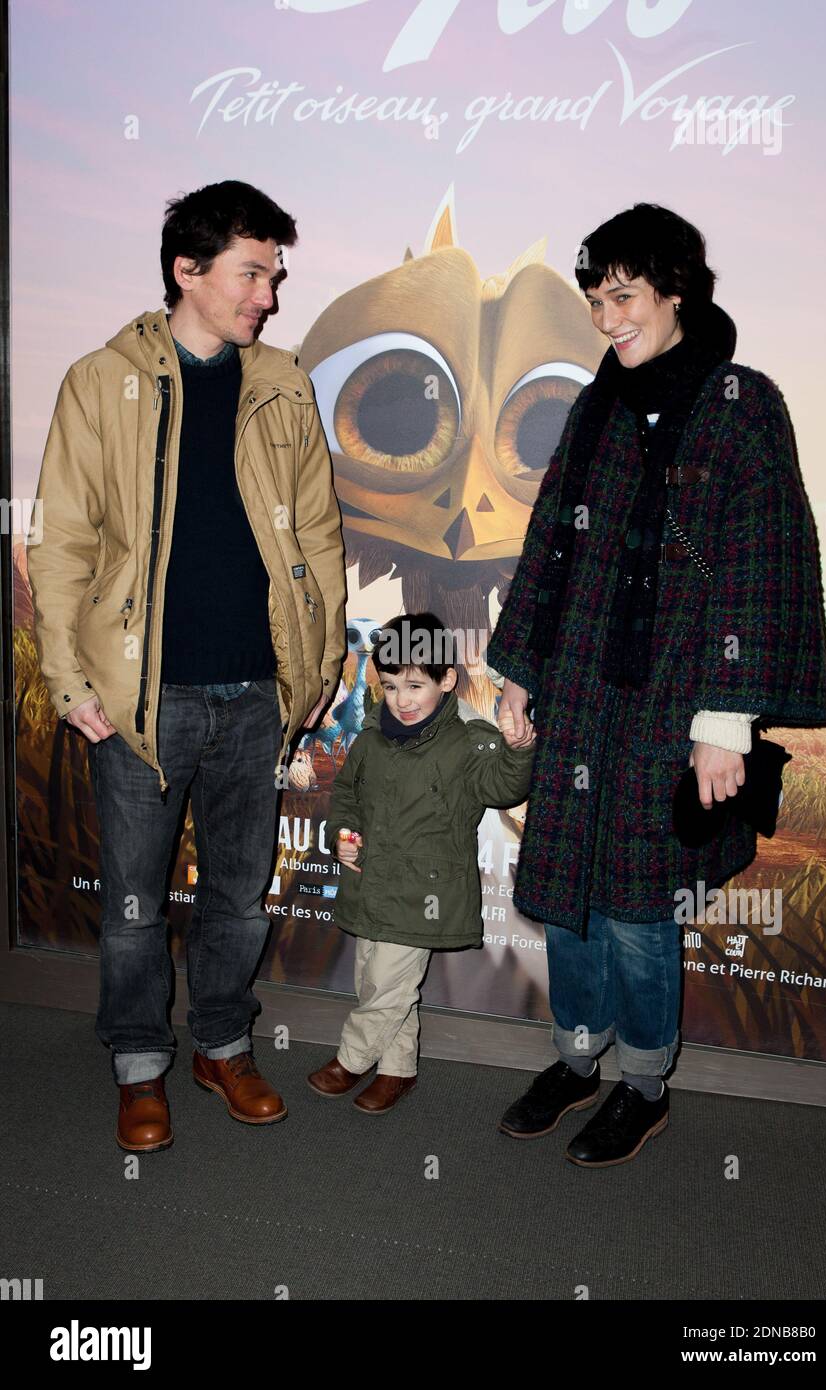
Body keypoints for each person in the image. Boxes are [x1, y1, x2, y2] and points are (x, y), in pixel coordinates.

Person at [485, 203, 826, 1167]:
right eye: (597, 299)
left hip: (678, 701)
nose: (607, 318)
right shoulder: (596, 403)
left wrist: (726, 719)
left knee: (639, 907)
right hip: (580, 691)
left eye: (624, 297)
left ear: (676, 290)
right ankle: (575, 1058)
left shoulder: (741, 402)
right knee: (566, 897)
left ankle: (642, 1083)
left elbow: (765, 560)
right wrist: (517, 672)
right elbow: (549, 540)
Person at [28, 180, 347, 1152]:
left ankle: (220, 1043)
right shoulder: (99, 381)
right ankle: (138, 1063)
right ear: (188, 269)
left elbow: (319, 533)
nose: (268, 293)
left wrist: (320, 661)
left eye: (274, 273)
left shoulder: (284, 383)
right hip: (138, 702)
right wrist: (71, 681)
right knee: (131, 905)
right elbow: (64, 543)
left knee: (237, 898)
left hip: (257, 695)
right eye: (253, 272)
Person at [310, 612, 536, 1113]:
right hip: (370, 882)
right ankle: (397, 1070)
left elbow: (503, 787)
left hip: (427, 895)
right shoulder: (370, 738)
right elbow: (345, 795)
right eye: (390, 687)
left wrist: (519, 751)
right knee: (377, 979)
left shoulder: (470, 739)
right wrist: (340, 836)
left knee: (389, 985)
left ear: (447, 679)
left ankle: (351, 1057)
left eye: (415, 685)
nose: (402, 700)